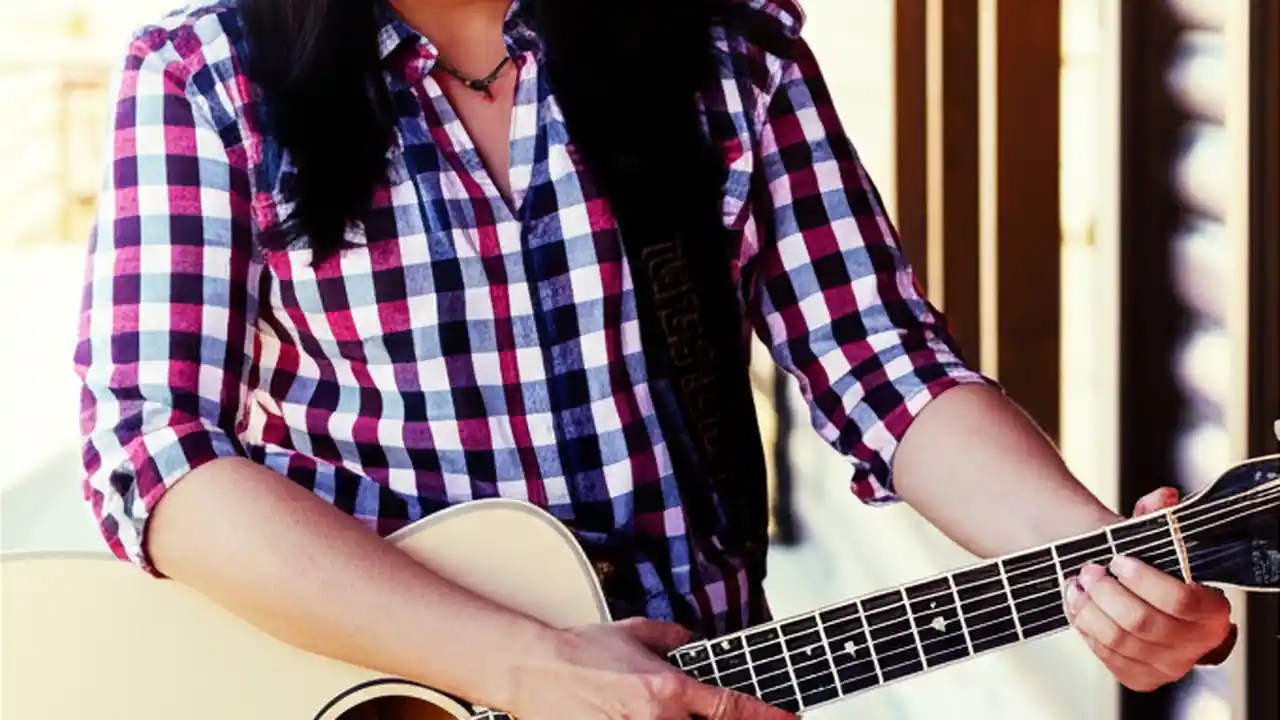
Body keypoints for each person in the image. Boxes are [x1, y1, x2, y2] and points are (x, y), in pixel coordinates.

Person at [74, 0, 1235, 717]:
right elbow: (155, 456)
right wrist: (528, 668)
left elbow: (883, 367)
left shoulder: (725, 49)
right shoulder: (203, 76)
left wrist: (1098, 566)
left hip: (711, 691)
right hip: (377, 683)